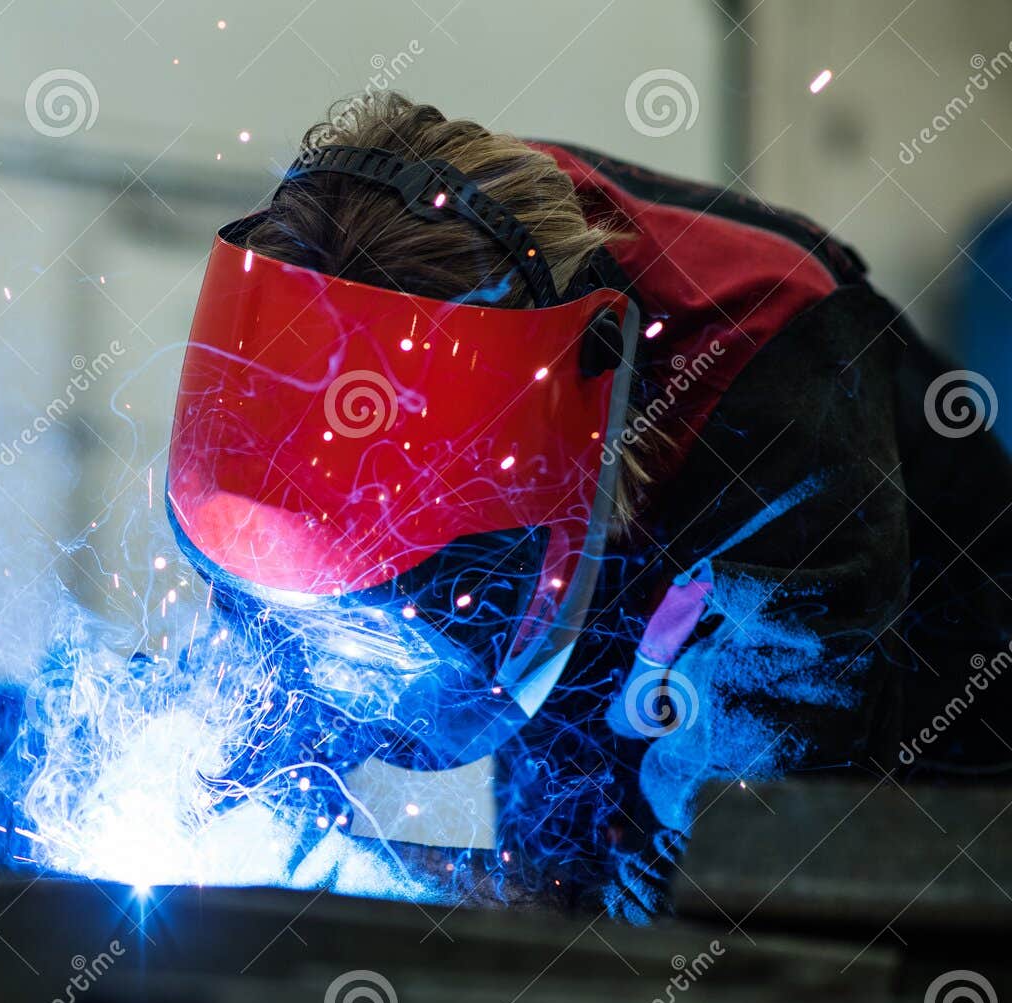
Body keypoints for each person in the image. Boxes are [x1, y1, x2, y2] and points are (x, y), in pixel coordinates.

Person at [164, 93, 1012, 921]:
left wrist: (406, 897)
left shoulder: (782, 385)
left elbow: (725, 874)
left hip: (940, 768)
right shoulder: (417, 239)